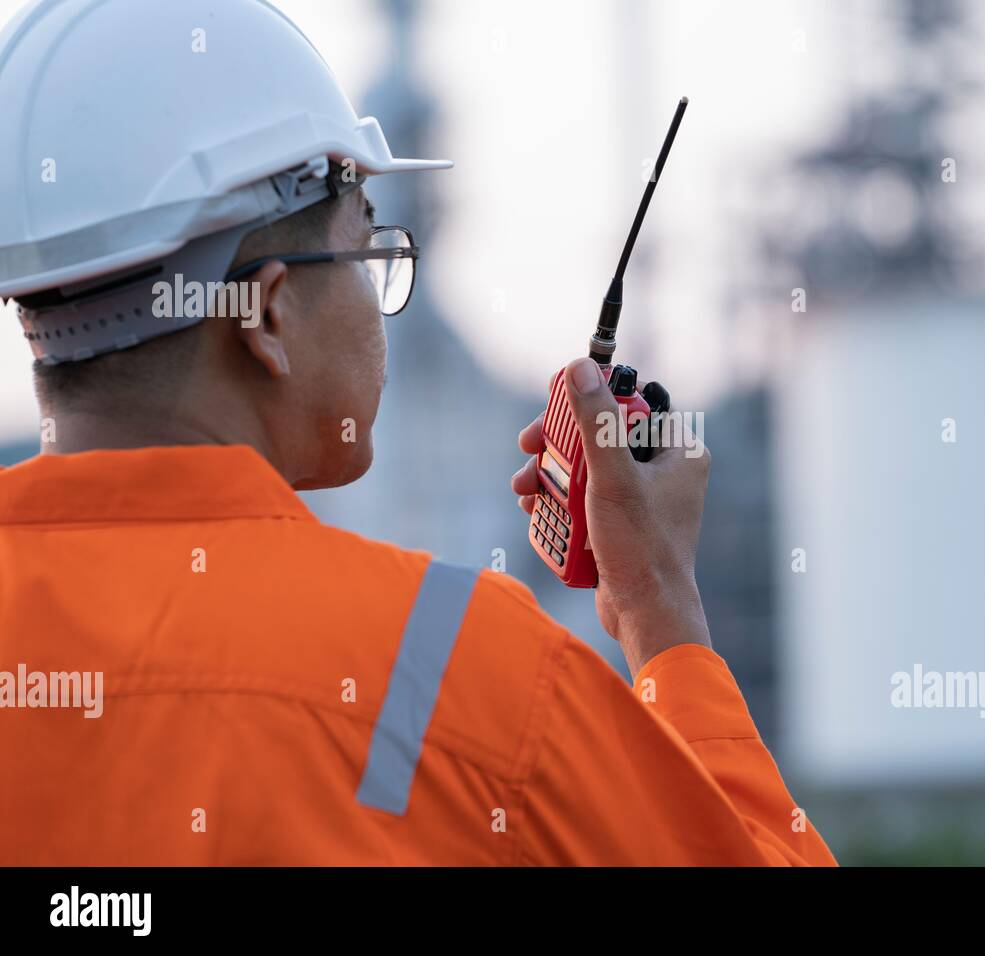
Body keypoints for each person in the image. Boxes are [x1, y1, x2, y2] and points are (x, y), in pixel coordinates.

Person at [0, 0, 835, 866]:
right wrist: (659, 607)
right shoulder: (452, 668)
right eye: (369, 254)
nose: (380, 301)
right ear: (269, 316)